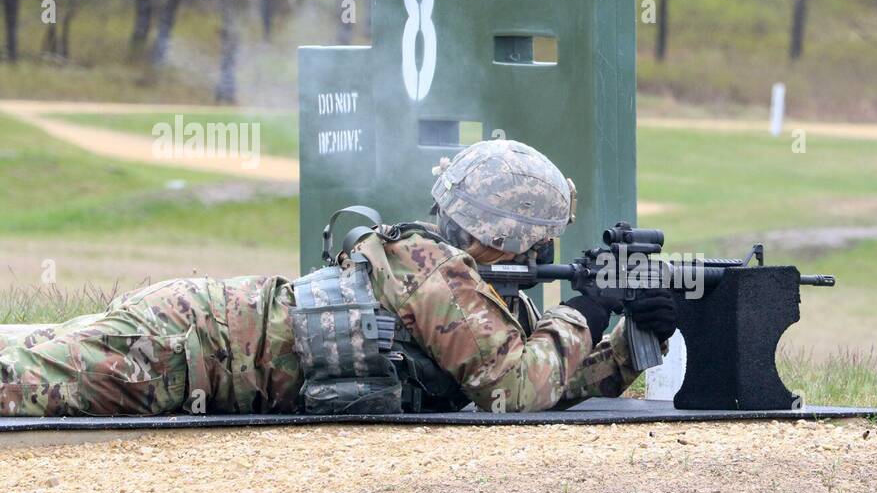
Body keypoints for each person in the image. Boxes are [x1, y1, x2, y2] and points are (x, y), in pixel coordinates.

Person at [0, 140, 676, 417]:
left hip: (198, 337)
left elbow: (529, 377)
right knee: (22, 382)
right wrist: (592, 306)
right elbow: (514, 391)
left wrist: (627, 344)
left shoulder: (456, 280)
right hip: (188, 347)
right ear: (512, 234)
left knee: (32, 356)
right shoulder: (435, 273)